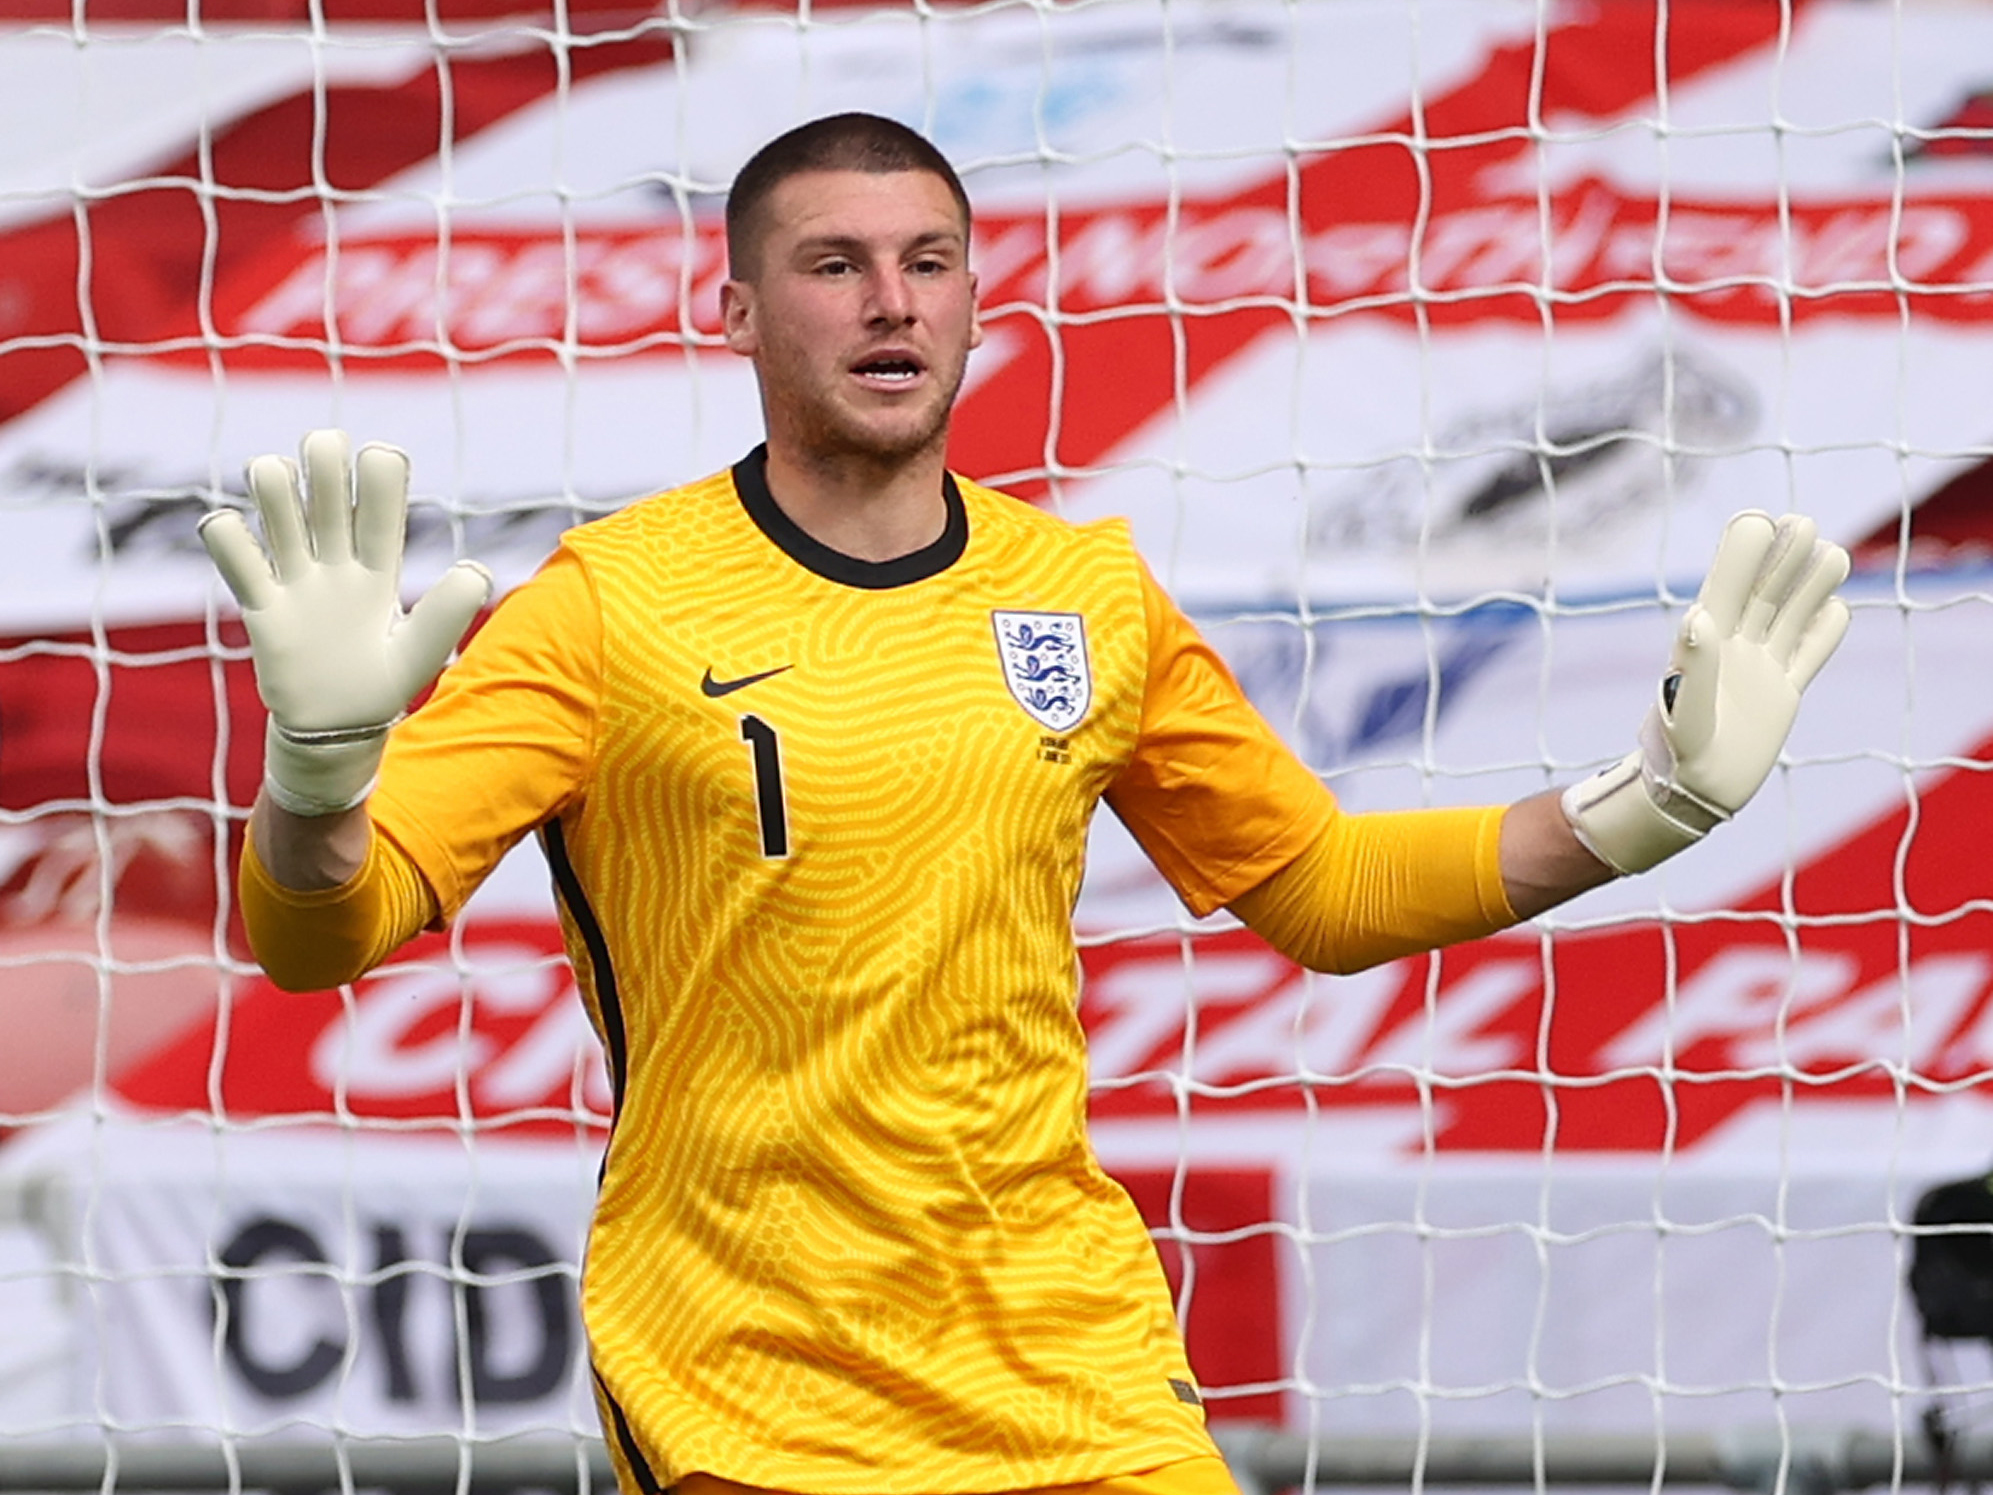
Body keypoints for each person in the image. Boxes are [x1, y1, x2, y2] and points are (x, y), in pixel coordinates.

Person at [198, 112, 1852, 1495]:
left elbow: (1325, 892)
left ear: (978, 303)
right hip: (751, 1383)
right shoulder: (604, 605)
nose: (887, 302)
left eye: (926, 262)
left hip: (1075, 1370)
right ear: (736, 313)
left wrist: (1652, 804)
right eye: (832, 265)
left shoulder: (1086, 596)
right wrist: (321, 772)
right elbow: (318, 936)